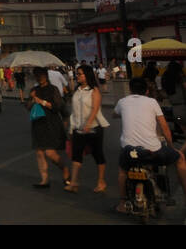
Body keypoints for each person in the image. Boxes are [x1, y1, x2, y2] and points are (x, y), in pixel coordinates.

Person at [112, 76, 186, 212]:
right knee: (180, 158)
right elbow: (164, 128)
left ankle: (122, 204)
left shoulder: (122, 102)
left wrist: (121, 113)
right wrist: (171, 147)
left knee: (122, 171)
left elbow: (113, 114)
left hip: (129, 152)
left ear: (130, 90)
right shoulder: (152, 102)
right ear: (146, 90)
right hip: (153, 151)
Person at [67, 64, 109, 193]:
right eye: (77, 74)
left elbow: (95, 109)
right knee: (76, 155)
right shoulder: (77, 90)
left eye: (80, 74)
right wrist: (71, 128)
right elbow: (74, 111)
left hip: (94, 128)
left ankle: (101, 181)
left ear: (87, 75)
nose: (77, 76)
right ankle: (74, 182)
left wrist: (88, 124)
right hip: (78, 128)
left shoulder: (94, 90)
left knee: (98, 154)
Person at [29, 68, 71, 189]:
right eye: (36, 75)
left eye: (41, 75)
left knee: (50, 153)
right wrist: (32, 99)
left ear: (46, 76)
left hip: (51, 123)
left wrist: (42, 102)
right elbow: (28, 106)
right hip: (38, 123)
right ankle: (44, 179)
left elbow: (57, 107)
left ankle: (65, 168)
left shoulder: (53, 89)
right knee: (39, 152)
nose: (39, 78)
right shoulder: (34, 90)